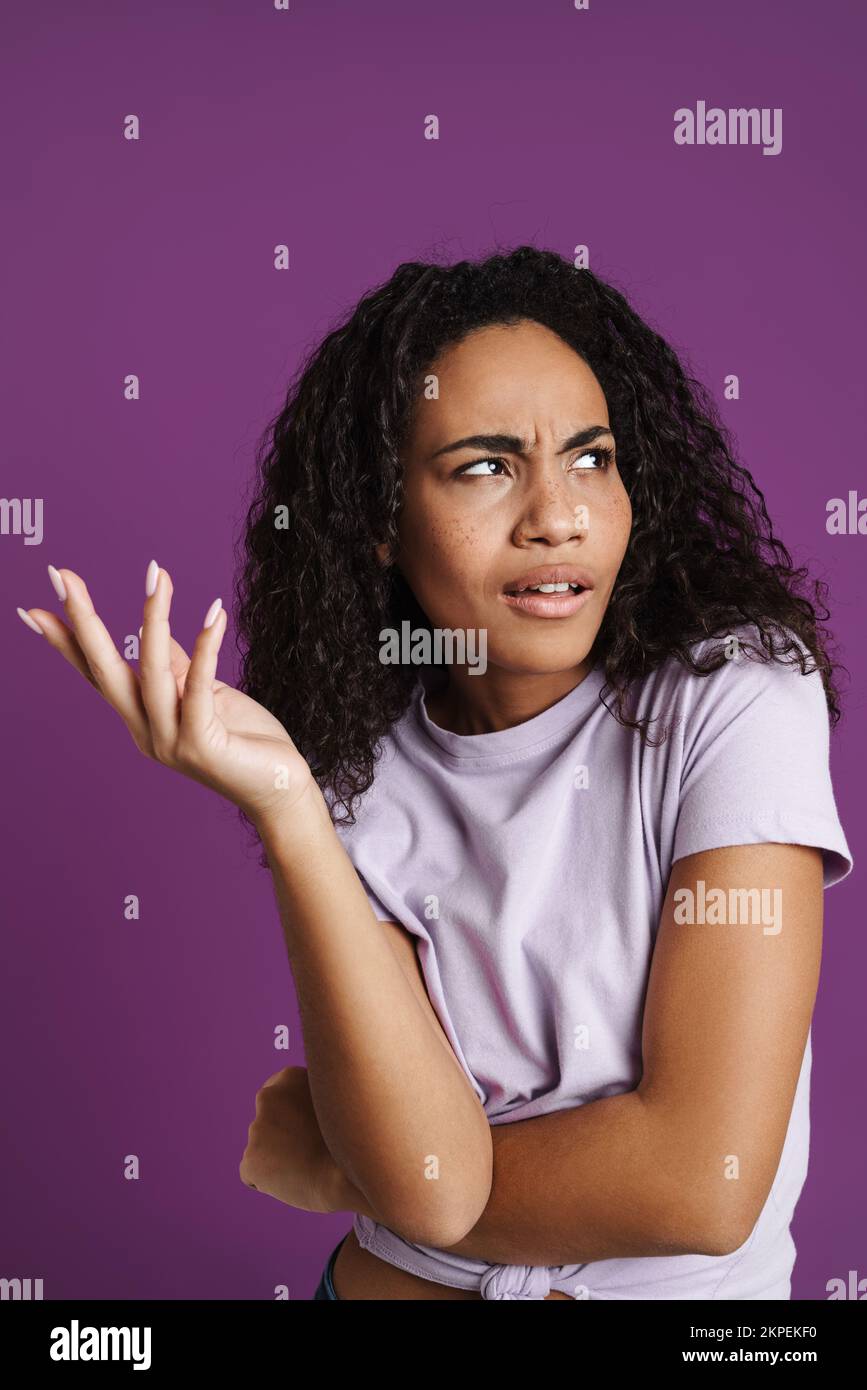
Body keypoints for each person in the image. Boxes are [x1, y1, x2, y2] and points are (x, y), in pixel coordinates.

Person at [18, 247, 853, 1301]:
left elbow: (702, 1182)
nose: (559, 514)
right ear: (379, 525)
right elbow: (426, 1177)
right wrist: (287, 805)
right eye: (486, 466)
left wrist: (346, 1168)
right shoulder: (345, 774)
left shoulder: (733, 697)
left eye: (592, 458)